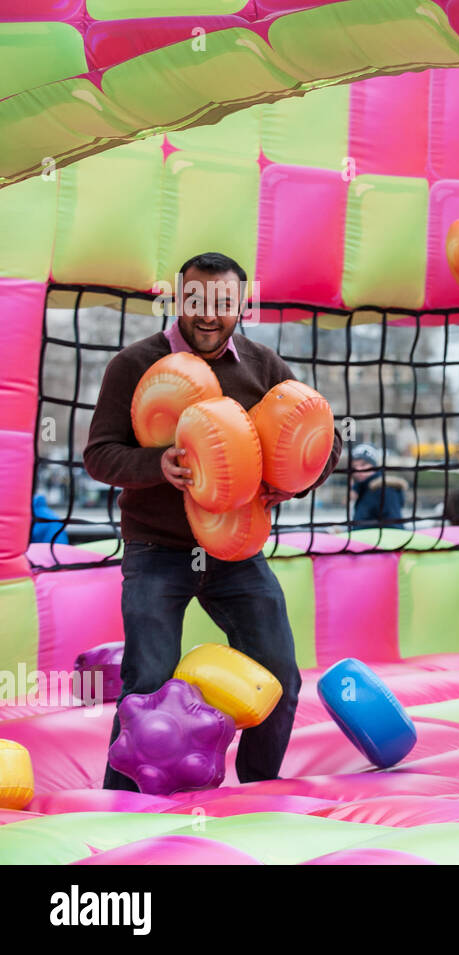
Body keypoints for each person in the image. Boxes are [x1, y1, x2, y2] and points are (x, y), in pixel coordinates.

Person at [83, 251, 341, 791]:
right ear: (179, 299)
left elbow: (326, 443)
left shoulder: (263, 366)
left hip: (235, 552)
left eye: (223, 303)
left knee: (280, 679)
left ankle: (257, 793)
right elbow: (99, 455)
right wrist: (158, 464)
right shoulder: (134, 365)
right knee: (147, 684)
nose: (208, 315)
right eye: (196, 300)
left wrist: (290, 482)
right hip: (157, 550)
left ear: (241, 306)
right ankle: (119, 804)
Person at [349, 443, 407, 528]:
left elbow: (395, 529)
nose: (358, 469)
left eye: (364, 464)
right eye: (354, 466)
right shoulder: (363, 490)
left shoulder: (385, 490)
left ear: (374, 466)